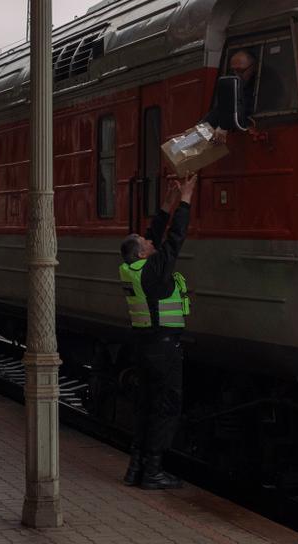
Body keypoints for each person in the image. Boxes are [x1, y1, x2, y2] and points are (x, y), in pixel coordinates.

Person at [117, 172, 197, 490]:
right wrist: (187, 199)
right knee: (166, 406)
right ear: (142, 253)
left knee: (145, 405)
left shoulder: (134, 267)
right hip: (163, 348)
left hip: (144, 345)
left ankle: (136, 466)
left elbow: (155, 233)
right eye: (147, 244)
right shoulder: (153, 271)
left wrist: (167, 202)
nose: (152, 242)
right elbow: (175, 238)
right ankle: (153, 470)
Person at [203, 48, 259, 134]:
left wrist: (224, 128)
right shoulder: (232, 89)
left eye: (240, 71)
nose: (236, 75)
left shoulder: (262, 88)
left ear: (253, 67)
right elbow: (217, 114)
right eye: (233, 71)